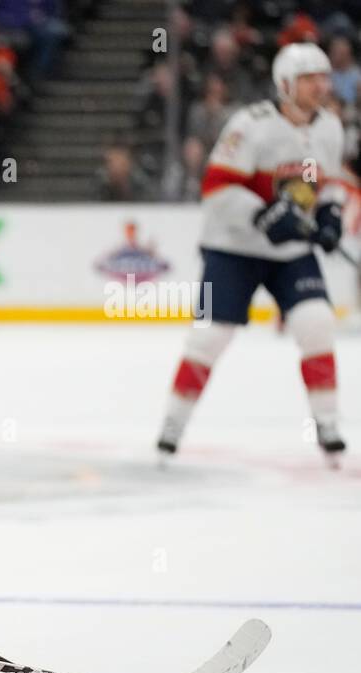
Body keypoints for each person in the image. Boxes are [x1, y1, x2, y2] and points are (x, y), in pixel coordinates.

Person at [158, 44, 348, 465]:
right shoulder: (250, 125)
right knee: (210, 336)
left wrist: (331, 213)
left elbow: (330, 182)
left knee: (316, 323)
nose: (321, 85)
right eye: (309, 79)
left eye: (323, 77)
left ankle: (328, 423)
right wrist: (263, 214)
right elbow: (216, 189)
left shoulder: (330, 128)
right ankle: (174, 422)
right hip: (233, 246)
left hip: (291, 249)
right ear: (285, 85)